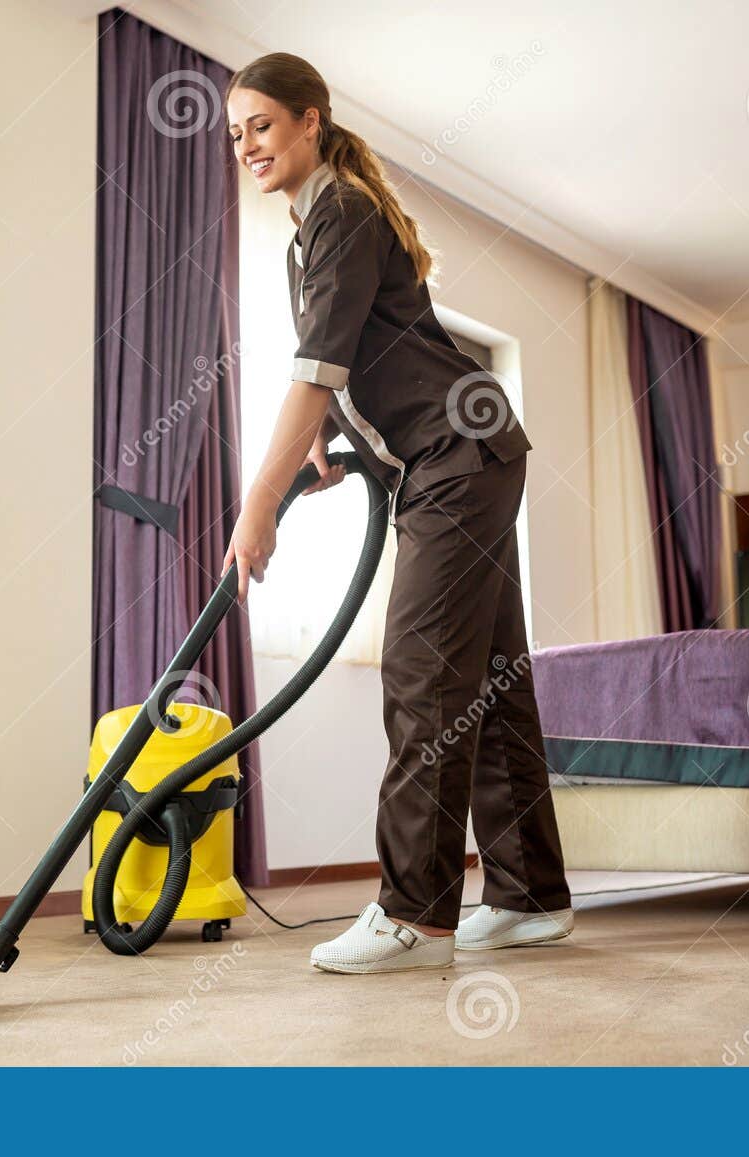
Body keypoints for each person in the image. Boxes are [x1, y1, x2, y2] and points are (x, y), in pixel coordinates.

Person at [223, 53, 572, 974]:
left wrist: (259, 499)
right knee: (491, 678)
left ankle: (414, 915)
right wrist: (338, 444)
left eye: (260, 123)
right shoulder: (313, 228)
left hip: (461, 455)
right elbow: (362, 356)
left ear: (309, 120)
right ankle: (531, 896)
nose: (245, 144)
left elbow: (316, 367)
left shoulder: (341, 207)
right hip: (467, 450)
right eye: (233, 132)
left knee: (422, 670)